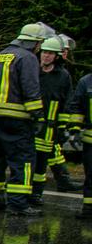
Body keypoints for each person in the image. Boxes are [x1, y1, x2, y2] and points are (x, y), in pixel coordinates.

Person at [0, 23, 47, 217]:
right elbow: (30, 87)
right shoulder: (27, 57)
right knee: (23, 160)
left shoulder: (2, 54)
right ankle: (18, 204)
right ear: (35, 43)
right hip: (17, 117)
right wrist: (38, 115)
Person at [30, 37, 81, 202]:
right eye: (44, 52)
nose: (46, 56)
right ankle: (23, 193)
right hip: (31, 124)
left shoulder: (63, 76)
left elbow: (67, 103)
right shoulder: (32, 71)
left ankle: (36, 194)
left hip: (49, 129)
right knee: (27, 161)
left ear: (56, 56)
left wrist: (62, 128)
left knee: (40, 165)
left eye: (50, 53)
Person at [67, 66, 92, 219]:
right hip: (90, 140)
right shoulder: (86, 82)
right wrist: (74, 129)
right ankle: (89, 210)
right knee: (91, 176)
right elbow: (76, 107)